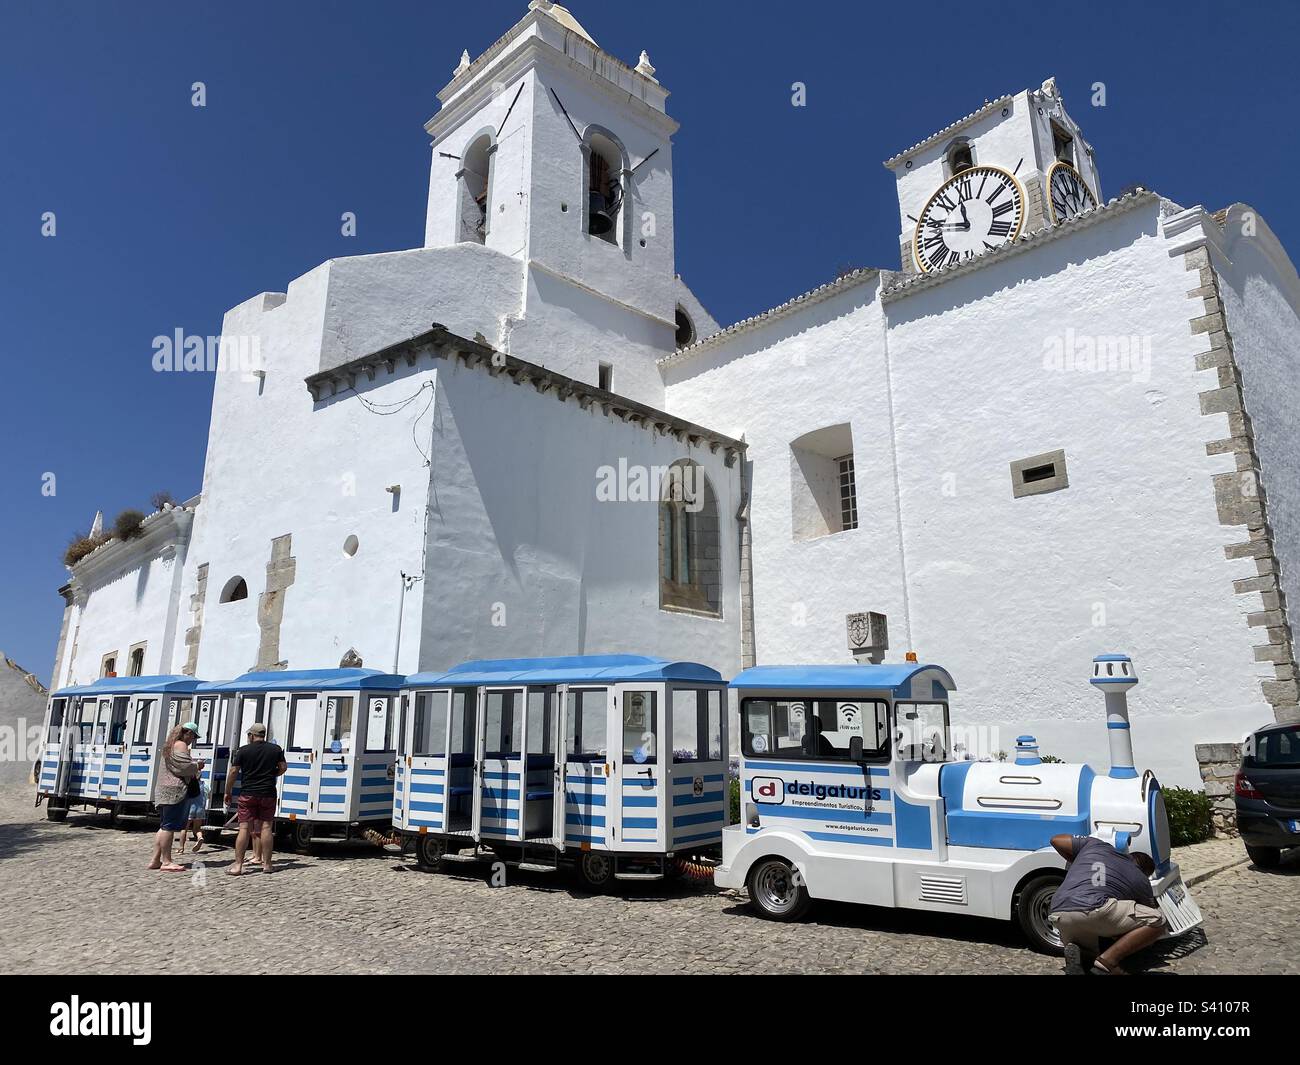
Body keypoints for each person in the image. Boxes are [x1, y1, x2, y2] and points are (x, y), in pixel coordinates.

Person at [1048, 833, 1166, 975]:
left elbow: (1056, 840)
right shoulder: (1141, 878)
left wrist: (1077, 861)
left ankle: (1080, 952)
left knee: (1093, 948)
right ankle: (1107, 962)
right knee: (1158, 920)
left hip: (1058, 912)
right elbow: (1148, 911)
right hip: (1094, 908)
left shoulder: (1094, 844)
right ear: (1145, 871)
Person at [223, 721, 286, 875]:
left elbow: (233, 771)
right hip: (268, 793)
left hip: (248, 793)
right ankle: (267, 865)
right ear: (264, 735)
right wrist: (272, 775)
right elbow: (283, 767)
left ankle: (238, 866)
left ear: (251, 735)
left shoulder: (243, 751)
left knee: (244, 828)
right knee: (266, 828)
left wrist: (227, 791)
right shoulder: (275, 749)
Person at [150, 722, 205, 872]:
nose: (192, 740)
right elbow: (184, 768)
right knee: (169, 827)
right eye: (193, 736)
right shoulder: (181, 745)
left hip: (163, 789)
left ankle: (155, 860)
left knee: (163, 826)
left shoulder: (170, 744)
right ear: (187, 733)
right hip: (175, 791)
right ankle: (167, 861)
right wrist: (197, 766)